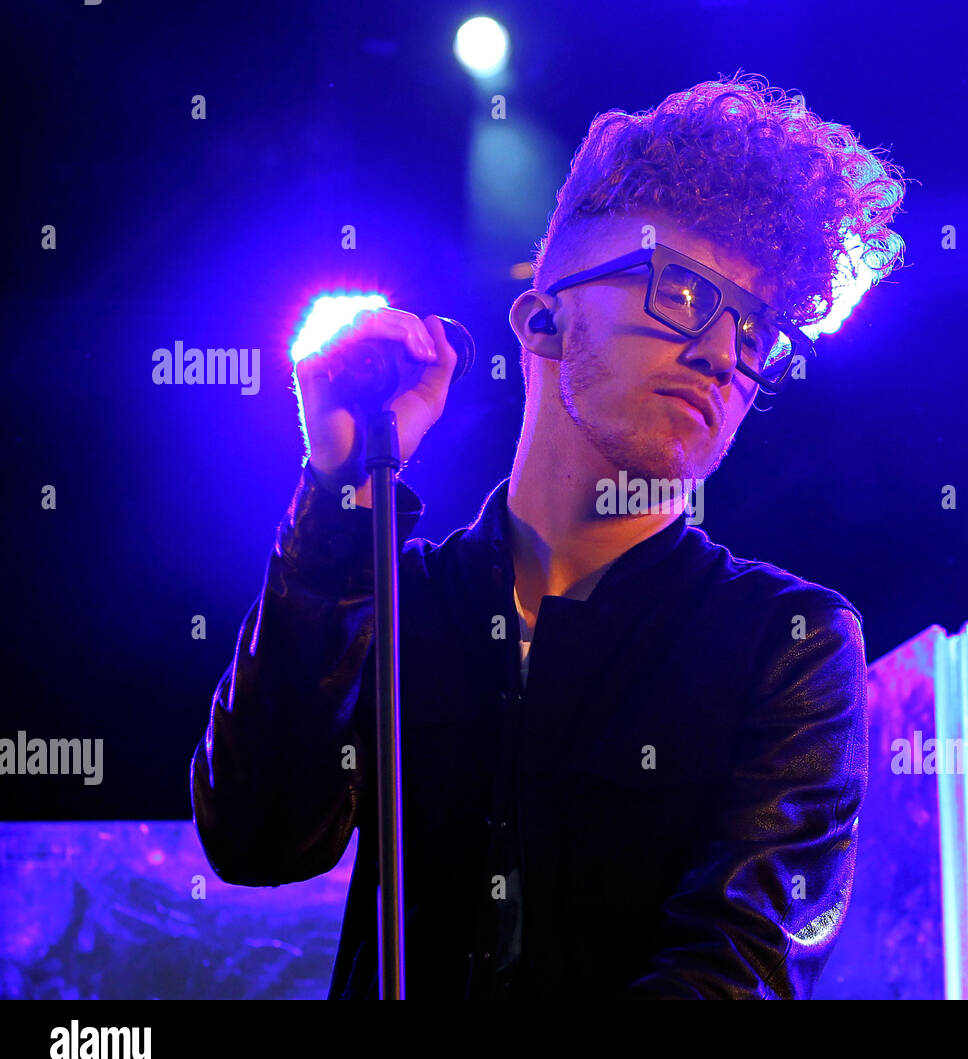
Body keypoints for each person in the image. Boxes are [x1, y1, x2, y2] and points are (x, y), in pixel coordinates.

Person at [190, 70, 905, 999]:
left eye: (756, 330)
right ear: (542, 318)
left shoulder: (789, 640)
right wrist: (336, 498)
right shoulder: (397, 604)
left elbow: (737, 969)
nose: (724, 355)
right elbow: (258, 837)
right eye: (681, 293)